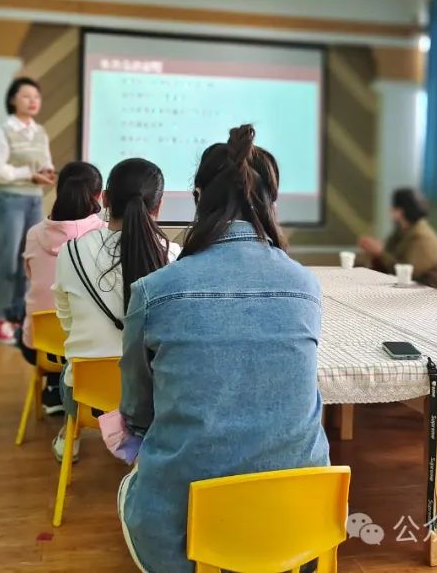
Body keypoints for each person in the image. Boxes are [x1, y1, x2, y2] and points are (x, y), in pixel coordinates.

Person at [117, 125, 330, 573]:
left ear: (198, 198)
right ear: (272, 203)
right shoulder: (306, 286)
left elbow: (137, 412)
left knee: (131, 479)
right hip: (300, 527)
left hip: (187, 539)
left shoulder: (154, 291)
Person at [51, 158, 178, 463]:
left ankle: (71, 435)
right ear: (158, 207)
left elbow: (67, 322)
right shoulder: (173, 256)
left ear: (105, 199)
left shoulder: (70, 252)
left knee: (67, 373)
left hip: (87, 395)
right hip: (154, 398)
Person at [19, 162, 105, 416]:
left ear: (58, 191)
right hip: (88, 350)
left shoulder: (34, 234)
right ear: (99, 196)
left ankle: (55, 386)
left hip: (38, 347)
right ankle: (83, 392)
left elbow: (31, 276)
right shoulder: (103, 235)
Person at [0, 77, 55, 343]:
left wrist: (47, 174)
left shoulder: (40, 131)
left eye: (36, 96)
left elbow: (45, 162)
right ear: (13, 99)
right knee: (5, 261)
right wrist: (29, 174)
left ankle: (19, 317)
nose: (33, 101)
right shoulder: (3, 130)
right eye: (26, 96)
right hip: (11, 200)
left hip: (34, 200)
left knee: (28, 261)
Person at [357, 187, 437, 287]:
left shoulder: (421, 236)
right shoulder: (402, 231)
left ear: (399, 211)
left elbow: (406, 273)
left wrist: (380, 253)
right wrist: (375, 252)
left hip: (428, 292)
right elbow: (388, 257)